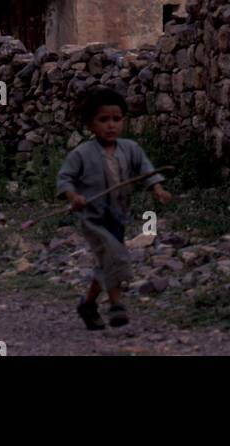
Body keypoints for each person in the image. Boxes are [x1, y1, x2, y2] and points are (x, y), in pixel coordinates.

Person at [56, 86, 171, 329]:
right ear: (90, 124)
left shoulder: (130, 149)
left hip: (117, 216)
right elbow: (65, 178)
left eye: (116, 119)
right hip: (92, 218)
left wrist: (157, 188)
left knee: (105, 261)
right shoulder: (82, 154)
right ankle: (116, 305)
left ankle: (88, 304)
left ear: (124, 121)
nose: (111, 125)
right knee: (115, 255)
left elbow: (146, 169)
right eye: (104, 120)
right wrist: (73, 196)